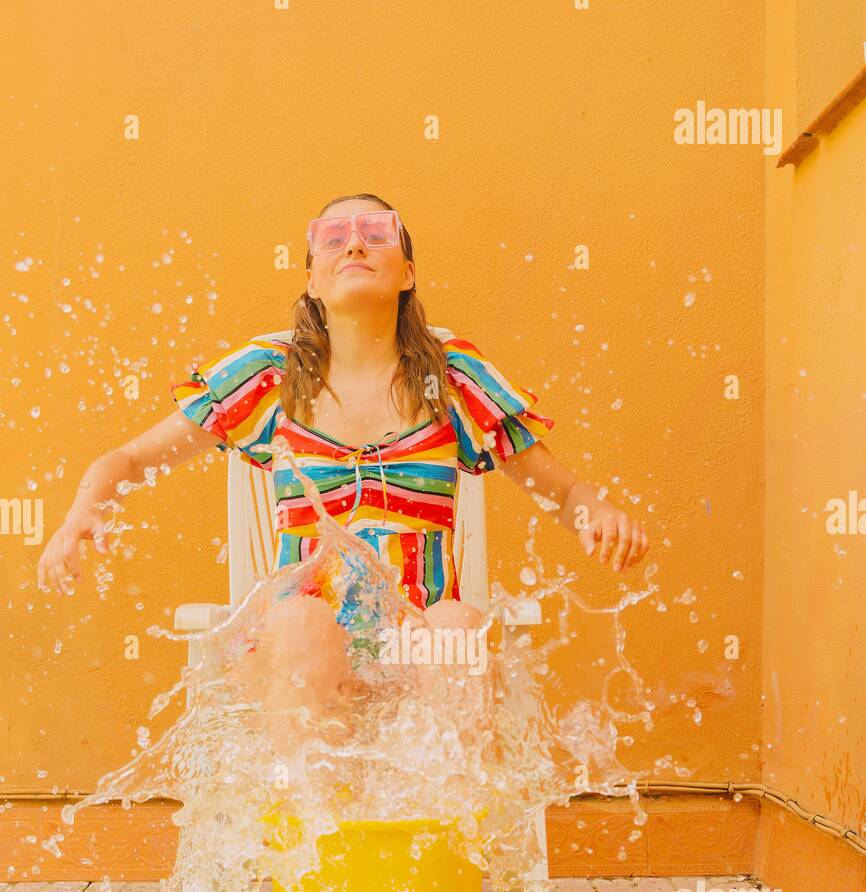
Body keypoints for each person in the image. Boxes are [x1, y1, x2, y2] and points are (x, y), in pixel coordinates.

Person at [37, 193, 648, 710]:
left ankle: (444, 834)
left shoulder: (453, 379)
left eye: (376, 234)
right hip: (294, 647)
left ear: (407, 271)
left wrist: (602, 515)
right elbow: (131, 461)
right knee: (305, 623)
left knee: (458, 626)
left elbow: (562, 490)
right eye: (332, 238)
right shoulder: (270, 378)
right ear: (312, 279)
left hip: (417, 643)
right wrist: (83, 511)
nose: (354, 245)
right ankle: (311, 840)